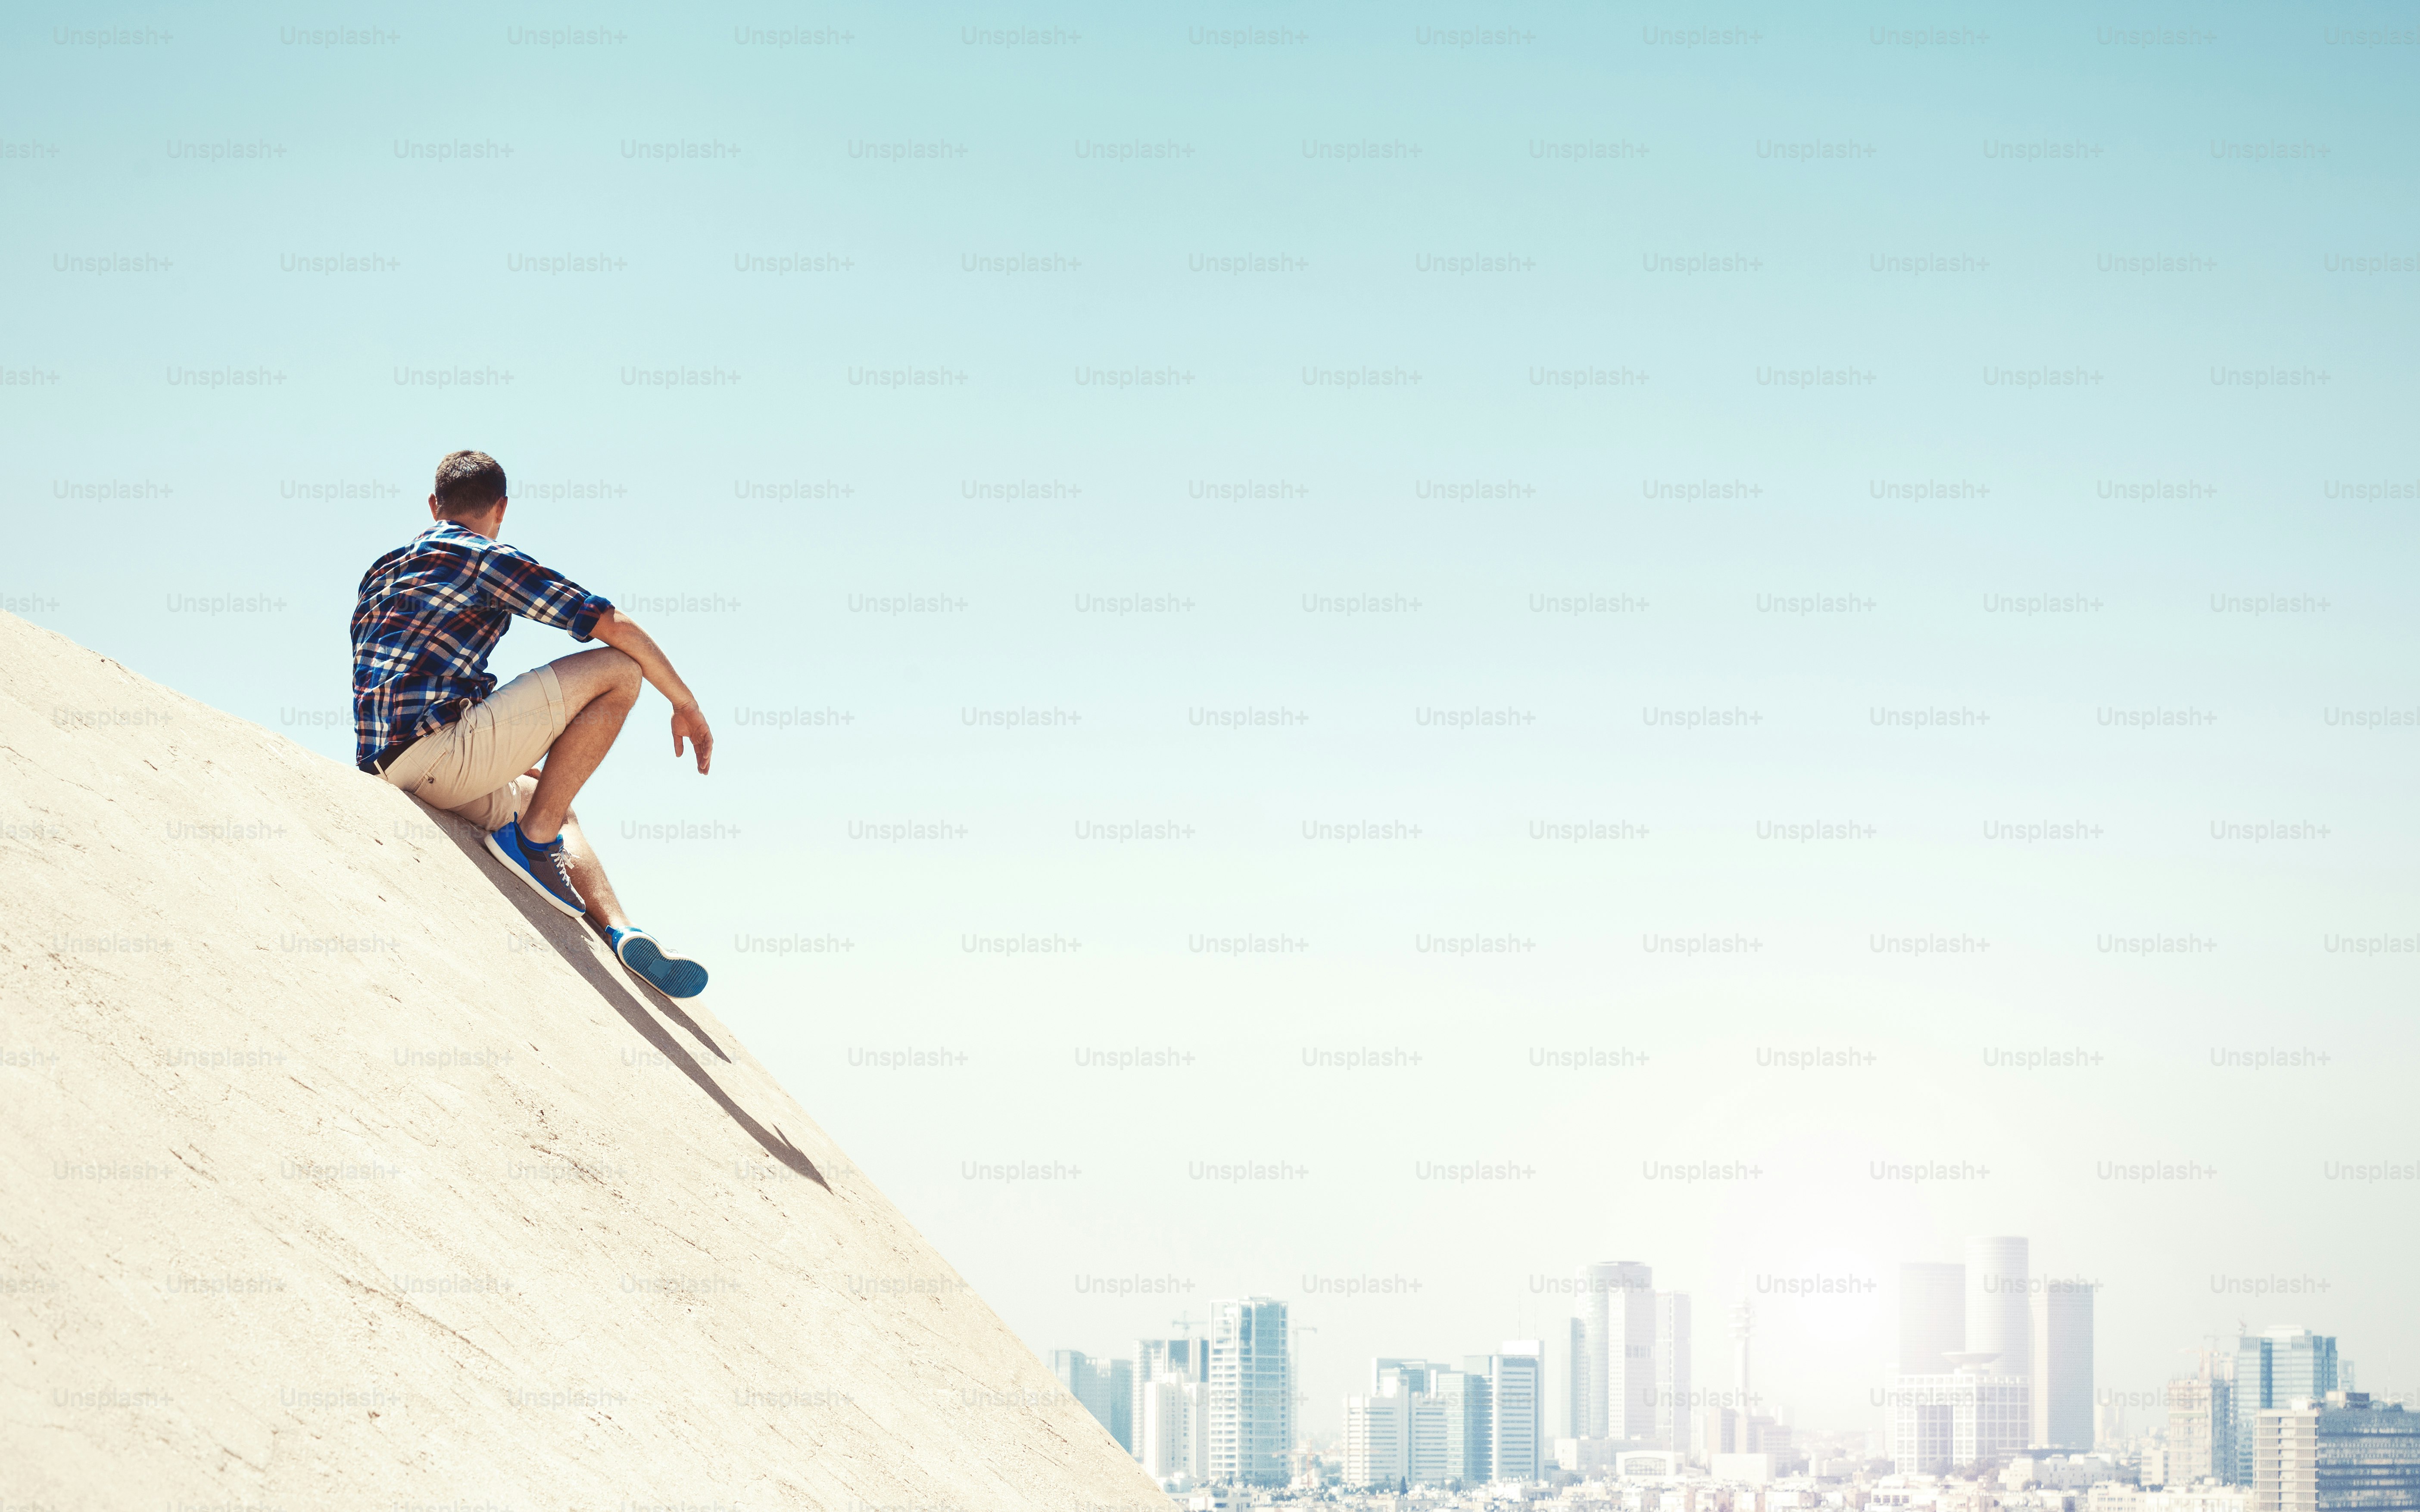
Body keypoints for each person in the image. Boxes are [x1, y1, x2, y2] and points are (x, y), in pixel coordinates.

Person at [350, 449, 714, 999]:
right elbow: (609, 624)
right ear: (500, 509)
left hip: (389, 764)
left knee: (551, 795)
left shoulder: (381, 571)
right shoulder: (481, 558)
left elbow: (405, 673)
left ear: (433, 506)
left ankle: (621, 931)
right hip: (443, 753)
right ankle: (535, 842)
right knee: (620, 672)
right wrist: (686, 704)